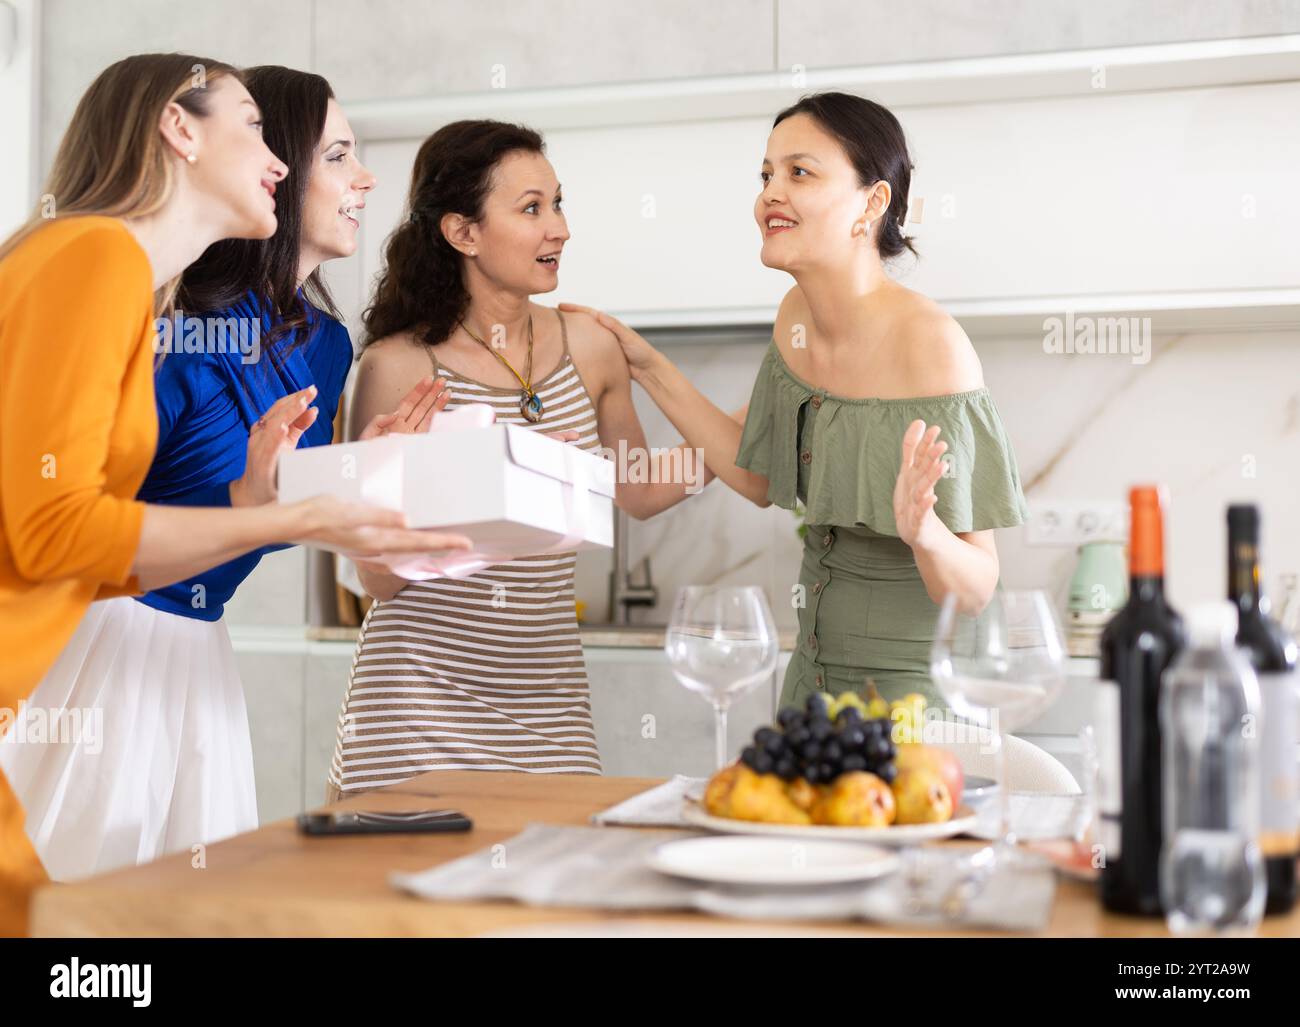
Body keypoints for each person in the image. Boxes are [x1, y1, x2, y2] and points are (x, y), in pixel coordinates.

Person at [0, 54, 466, 935]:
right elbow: (56, 528)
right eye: (258, 129)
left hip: (171, 648)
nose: (284, 164)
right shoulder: (104, 263)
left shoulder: (125, 277)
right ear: (179, 129)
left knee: (107, 931)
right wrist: (291, 512)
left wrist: (290, 497)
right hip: (81, 657)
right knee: (90, 928)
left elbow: (72, 536)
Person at [563, 91, 1028, 711]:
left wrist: (925, 535)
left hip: (916, 695)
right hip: (809, 679)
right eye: (766, 174)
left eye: (799, 172)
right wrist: (649, 367)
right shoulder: (795, 317)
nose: (769, 194)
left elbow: (975, 587)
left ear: (873, 201)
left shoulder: (931, 345)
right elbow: (758, 477)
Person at [326, 120, 720, 798]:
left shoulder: (589, 343)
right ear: (463, 232)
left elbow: (637, 488)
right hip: (415, 712)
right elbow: (377, 581)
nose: (558, 228)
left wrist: (748, 428)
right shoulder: (396, 367)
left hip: (549, 710)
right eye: (532, 208)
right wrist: (483, 492)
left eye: (558, 203)